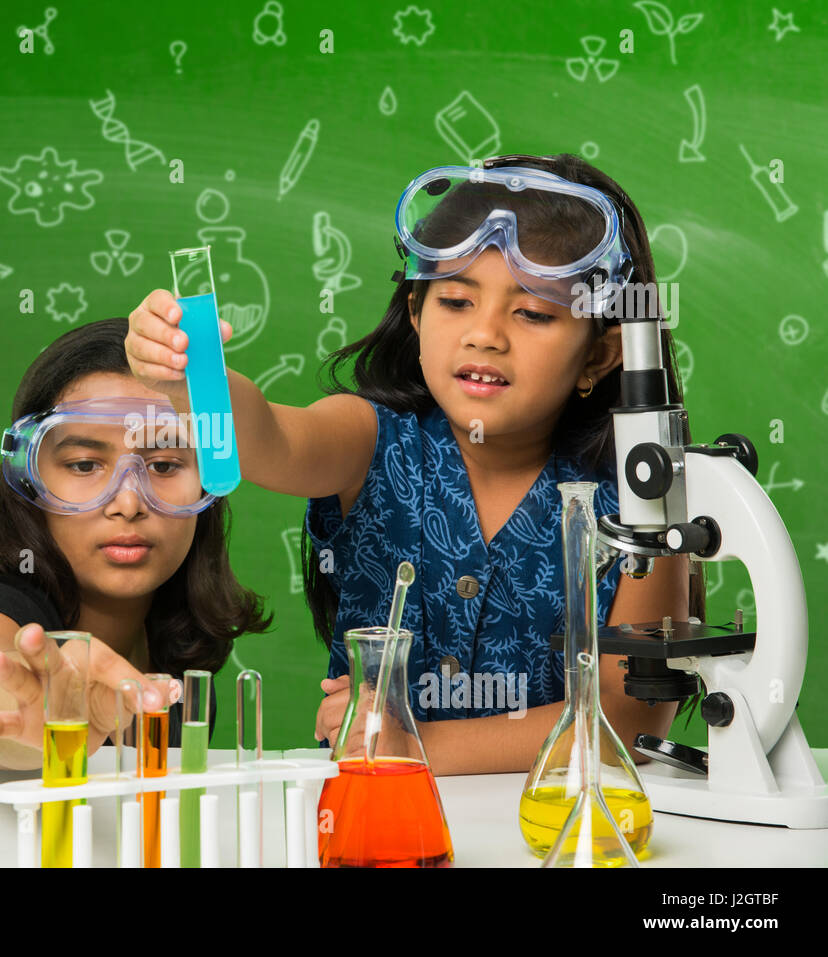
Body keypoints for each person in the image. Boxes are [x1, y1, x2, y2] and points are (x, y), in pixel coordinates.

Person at [126, 153, 699, 775]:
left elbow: (630, 722)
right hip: (374, 823)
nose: (486, 335)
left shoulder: (646, 503)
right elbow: (269, 437)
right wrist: (190, 377)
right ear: (416, 312)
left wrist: (416, 746)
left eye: (533, 313)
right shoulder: (368, 439)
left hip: (555, 834)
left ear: (599, 357)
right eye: (455, 301)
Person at [0, 317, 271, 770]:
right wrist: (29, 708)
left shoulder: (178, 651)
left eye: (166, 465)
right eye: (84, 465)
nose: (128, 502)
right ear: (28, 476)